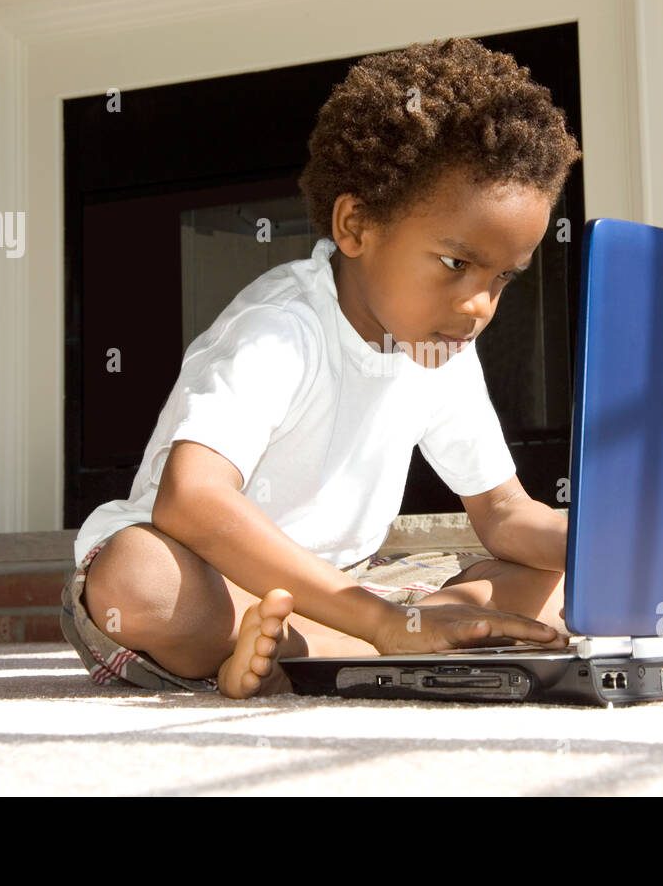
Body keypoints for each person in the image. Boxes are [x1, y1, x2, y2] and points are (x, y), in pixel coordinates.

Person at [62, 36, 584, 699]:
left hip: (346, 584)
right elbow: (189, 501)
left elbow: (505, 513)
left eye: (503, 277)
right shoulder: (281, 329)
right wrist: (381, 620)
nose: (479, 305)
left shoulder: (441, 345)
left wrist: (603, 544)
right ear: (356, 225)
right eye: (456, 264)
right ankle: (343, 640)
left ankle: (307, 649)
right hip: (208, 576)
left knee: (553, 582)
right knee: (141, 582)